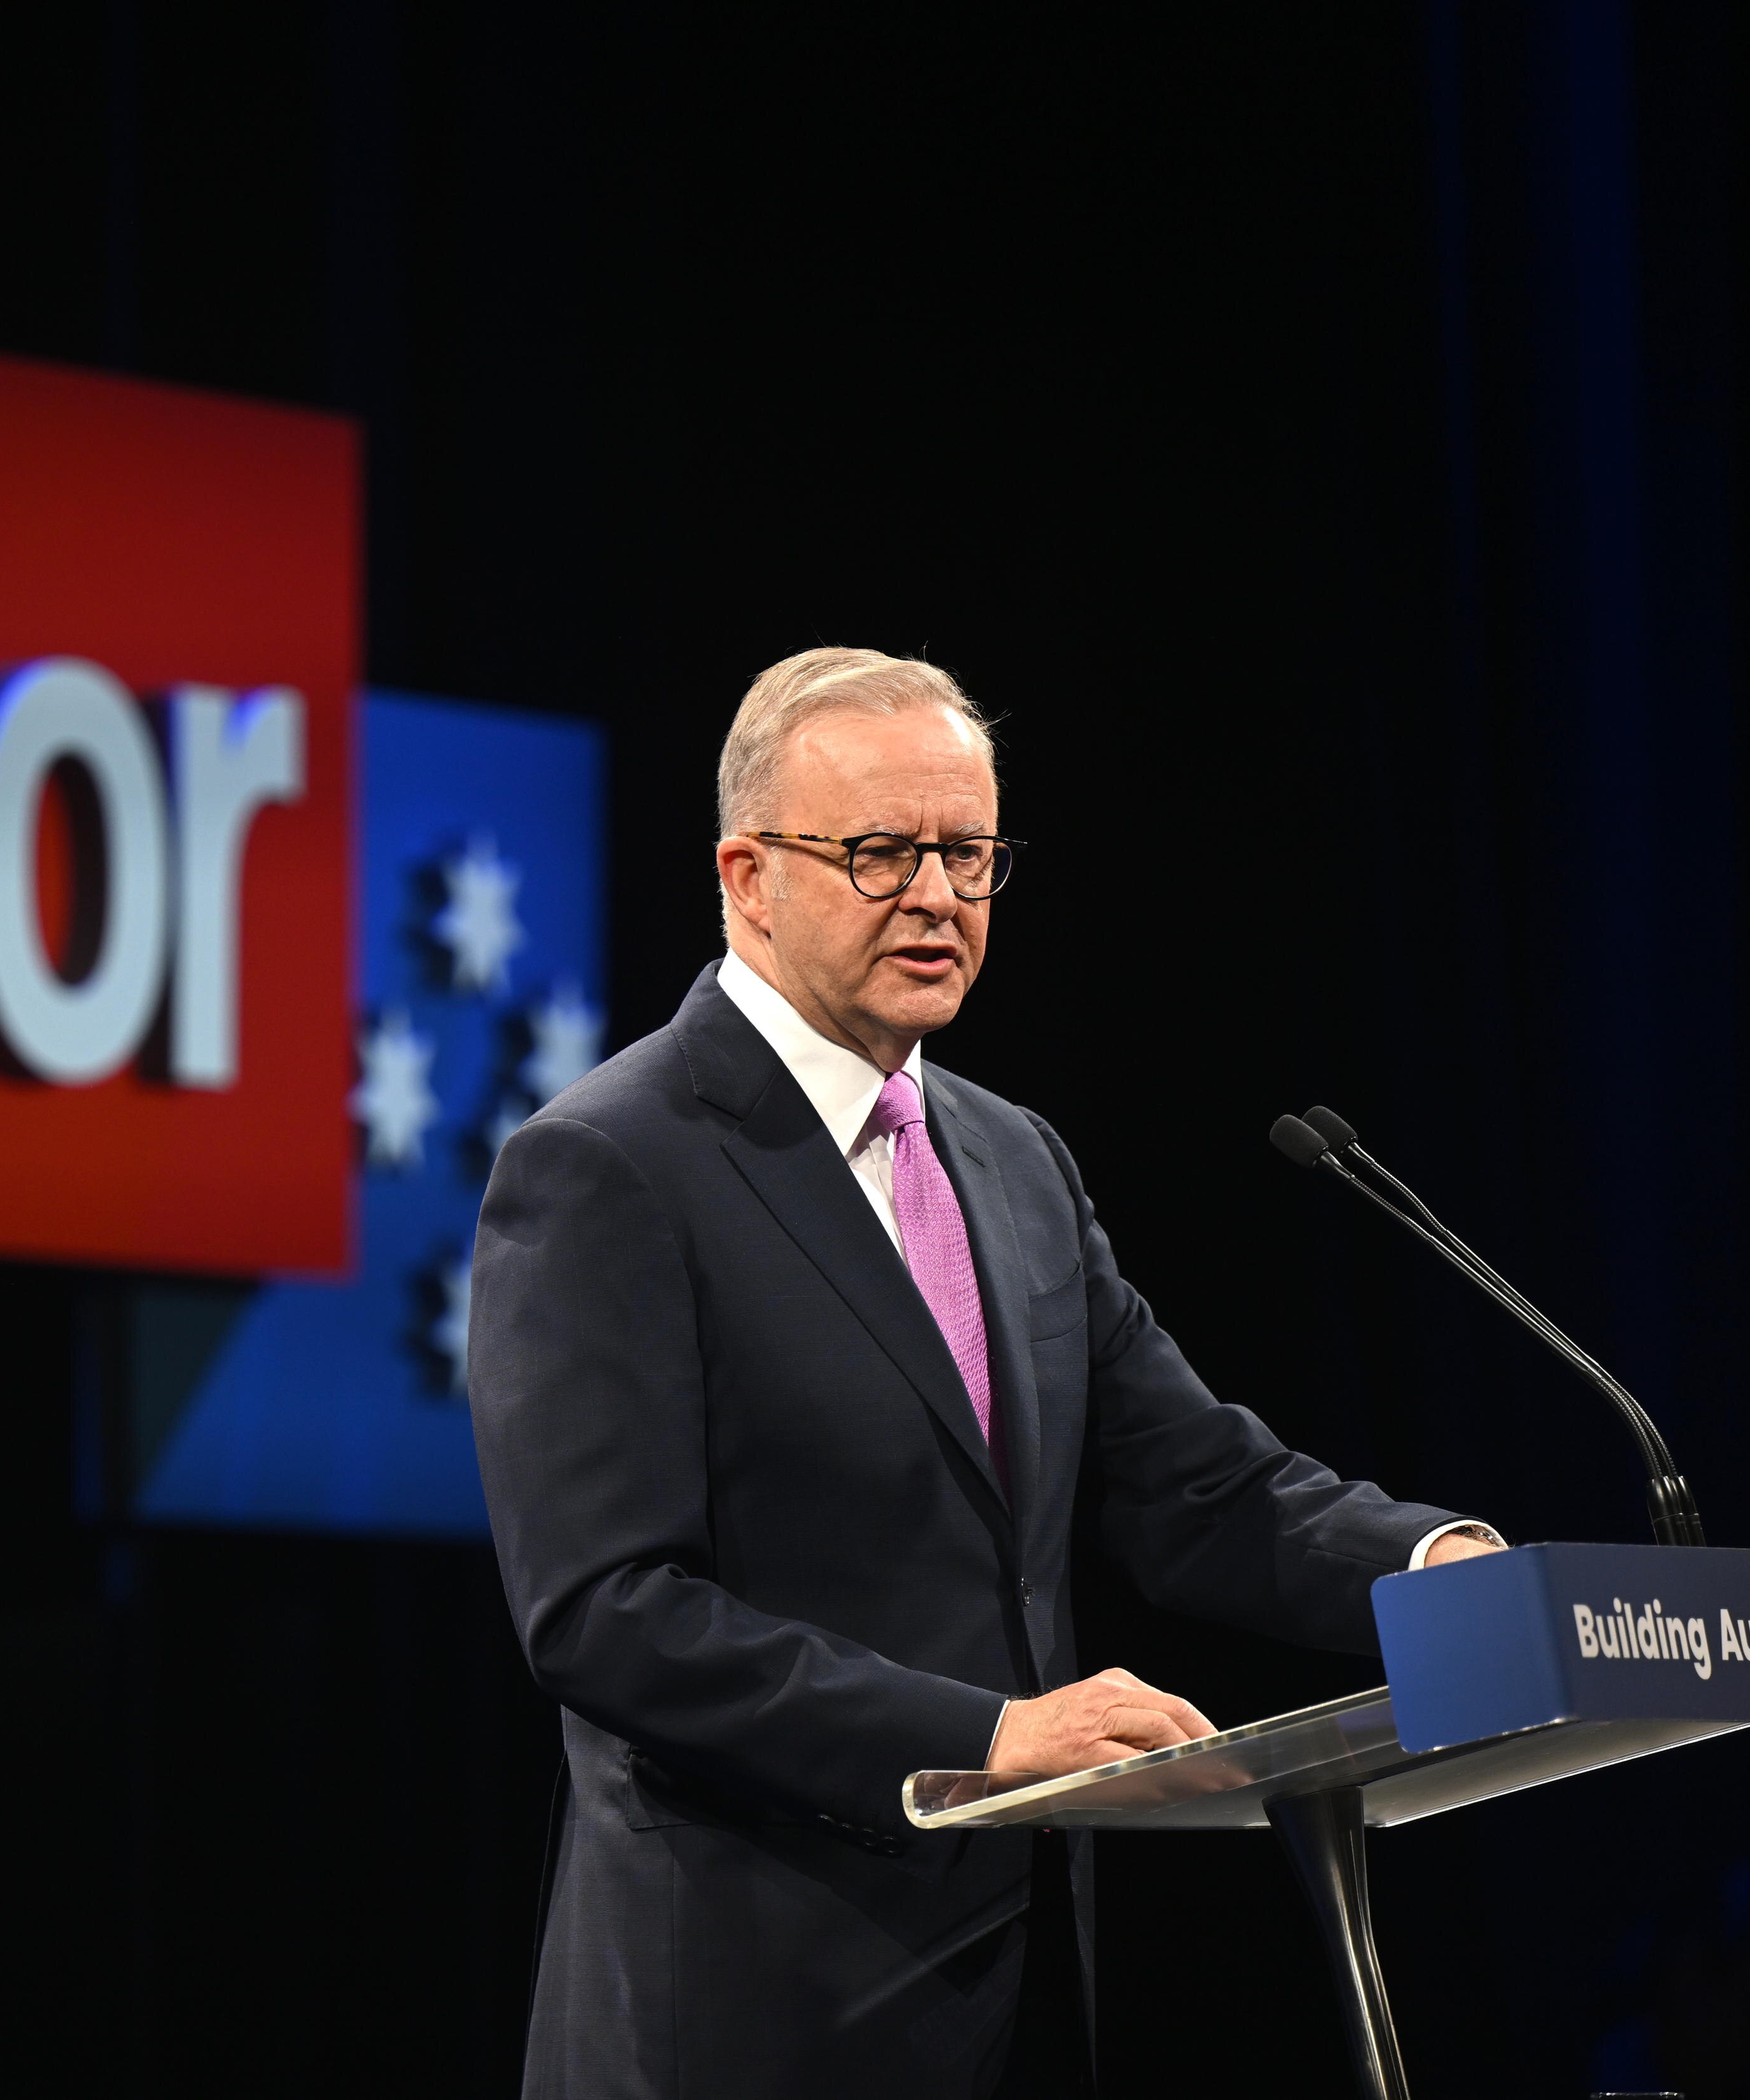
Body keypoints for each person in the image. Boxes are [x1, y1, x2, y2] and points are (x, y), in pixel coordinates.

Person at [468, 648, 1502, 2099]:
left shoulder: (1013, 1159)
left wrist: (1445, 1571)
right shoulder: (607, 1162)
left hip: (1021, 1997)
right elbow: (607, 1612)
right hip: (753, 2014)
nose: (938, 896)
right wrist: (988, 1733)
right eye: (881, 853)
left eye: (969, 853)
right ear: (746, 875)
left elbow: (1193, 1487)